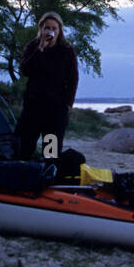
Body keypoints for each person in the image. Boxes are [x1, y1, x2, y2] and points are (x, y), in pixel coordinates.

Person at [15, 11, 79, 159]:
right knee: (23, 146)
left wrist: (67, 103)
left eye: (53, 28)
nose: (50, 31)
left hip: (55, 109)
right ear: (41, 29)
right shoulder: (33, 47)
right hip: (33, 107)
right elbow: (25, 70)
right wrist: (40, 50)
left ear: (59, 30)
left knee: (50, 152)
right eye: (46, 27)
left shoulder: (67, 50)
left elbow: (73, 79)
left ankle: (48, 176)